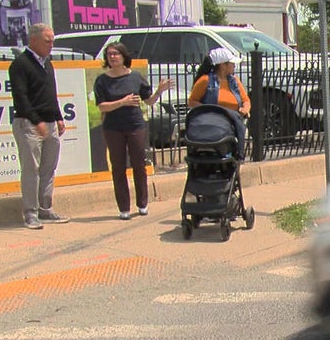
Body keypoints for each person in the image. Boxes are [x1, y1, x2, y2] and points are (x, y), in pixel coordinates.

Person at [93, 42, 173, 220]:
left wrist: (159, 91)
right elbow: (102, 106)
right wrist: (123, 102)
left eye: (116, 54)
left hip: (135, 125)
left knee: (139, 165)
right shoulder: (102, 80)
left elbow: (149, 101)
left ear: (124, 56)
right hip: (113, 127)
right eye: (109, 54)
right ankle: (124, 208)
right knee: (118, 167)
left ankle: (142, 203)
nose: (113, 57)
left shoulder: (135, 77)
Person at [9, 22, 69, 229]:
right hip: (29, 124)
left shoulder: (47, 64)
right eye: (46, 41)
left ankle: (45, 209)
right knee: (31, 170)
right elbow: (21, 98)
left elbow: (50, 93)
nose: (51, 45)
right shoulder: (20, 64)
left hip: (50, 122)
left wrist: (58, 117)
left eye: (52, 41)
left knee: (48, 168)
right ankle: (30, 213)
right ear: (33, 40)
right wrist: (37, 121)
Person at [188, 46, 250, 159]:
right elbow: (192, 101)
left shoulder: (235, 81)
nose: (234, 66)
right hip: (213, 122)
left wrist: (245, 109)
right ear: (222, 65)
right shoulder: (205, 80)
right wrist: (207, 109)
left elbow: (245, 100)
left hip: (231, 120)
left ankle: (238, 154)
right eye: (231, 63)